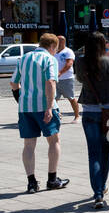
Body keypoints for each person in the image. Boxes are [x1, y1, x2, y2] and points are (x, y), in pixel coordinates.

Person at [75, 31, 109, 210]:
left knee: (93, 153)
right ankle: (102, 187)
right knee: (106, 151)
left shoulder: (81, 62)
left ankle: (98, 192)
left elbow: (79, 79)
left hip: (89, 111)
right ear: (102, 45)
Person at [10, 32, 68, 194]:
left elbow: (13, 83)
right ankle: (52, 179)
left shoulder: (24, 58)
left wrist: (21, 99)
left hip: (25, 108)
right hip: (44, 106)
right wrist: (49, 107)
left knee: (29, 145)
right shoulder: (49, 59)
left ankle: (31, 183)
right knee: (54, 141)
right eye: (56, 49)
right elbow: (50, 82)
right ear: (52, 46)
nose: (55, 52)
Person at [53, 35, 80, 121]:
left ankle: (77, 116)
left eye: (58, 41)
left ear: (63, 42)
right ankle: (57, 114)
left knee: (71, 98)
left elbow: (69, 63)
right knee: (54, 99)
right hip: (55, 79)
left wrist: (60, 72)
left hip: (66, 79)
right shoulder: (54, 51)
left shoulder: (68, 51)